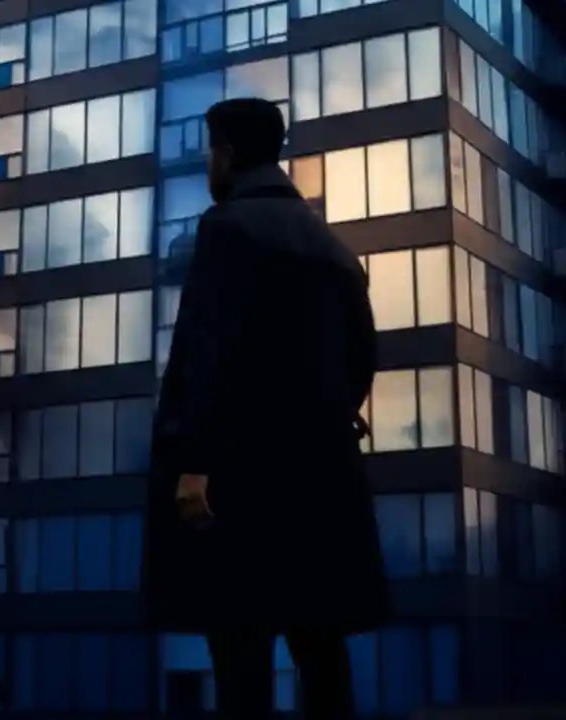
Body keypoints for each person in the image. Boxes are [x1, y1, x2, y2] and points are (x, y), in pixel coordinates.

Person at [145, 98, 390, 719]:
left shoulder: (225, 228)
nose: (209, 162)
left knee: (240, 649)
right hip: (322, 474)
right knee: (321, 650)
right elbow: (363, 352)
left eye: (210, 149)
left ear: (226, 152)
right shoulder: (332, 246)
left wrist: (194, 463)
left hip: (243, 474)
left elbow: (208, 349)